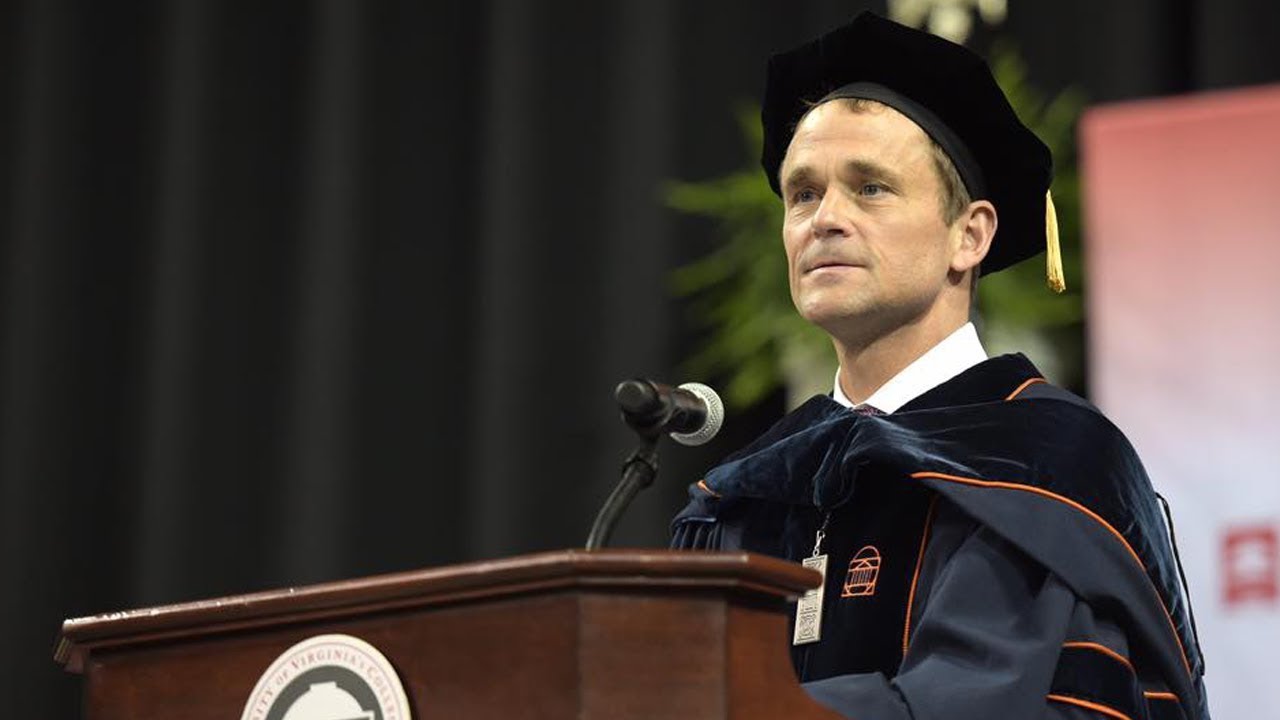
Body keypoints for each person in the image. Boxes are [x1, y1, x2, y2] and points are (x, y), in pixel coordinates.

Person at [669, 12, 1210, 720]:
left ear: (970, 235)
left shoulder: (1045, 469)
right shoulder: (748, 491)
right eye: (803, 192)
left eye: (870, 188)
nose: (823, 218)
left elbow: (976, 700)